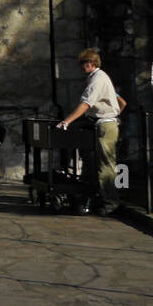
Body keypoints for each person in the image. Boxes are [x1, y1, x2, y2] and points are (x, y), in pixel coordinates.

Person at [56, 48, 126, 216]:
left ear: (91, 63)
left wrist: (67, 121)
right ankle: (99, 197)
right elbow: (121, 101)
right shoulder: (97, 78)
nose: (81, 67)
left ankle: (111, 202)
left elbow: (86, 104)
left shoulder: (97, 79)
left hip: (105, 125)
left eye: (83, 63)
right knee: (95, 163)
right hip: (102, 123)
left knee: (106, 165)